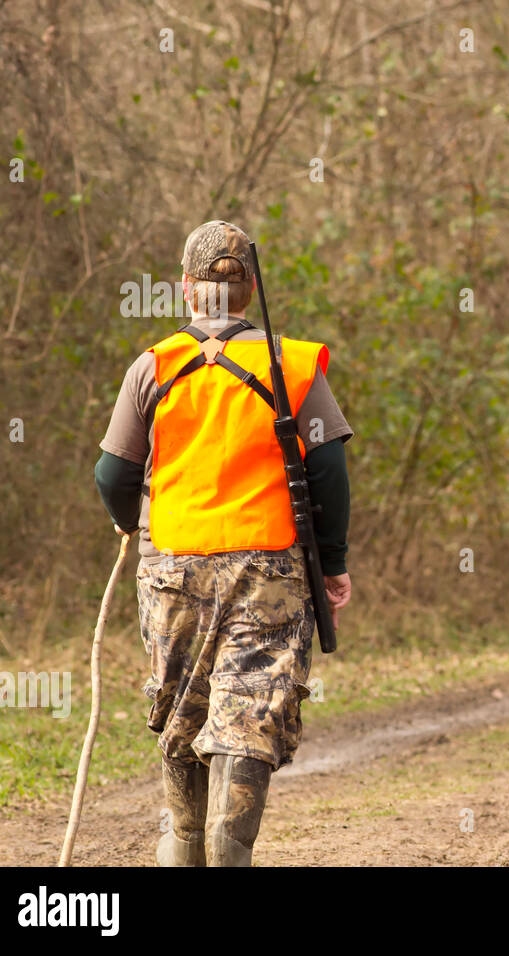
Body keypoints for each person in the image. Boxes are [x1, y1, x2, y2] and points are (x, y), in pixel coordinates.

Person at [93, 220, 352, 866]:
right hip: (268, 571)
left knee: (183, 712)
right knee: (250, 715)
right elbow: (327, 472)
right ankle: (228, 851)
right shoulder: (291, 365)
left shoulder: (152, 368)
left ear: (186, 288)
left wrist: (130, 522)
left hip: (173, 569)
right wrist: (335, 562)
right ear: (252, 287)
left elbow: (113, 475)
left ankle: (182, 842)